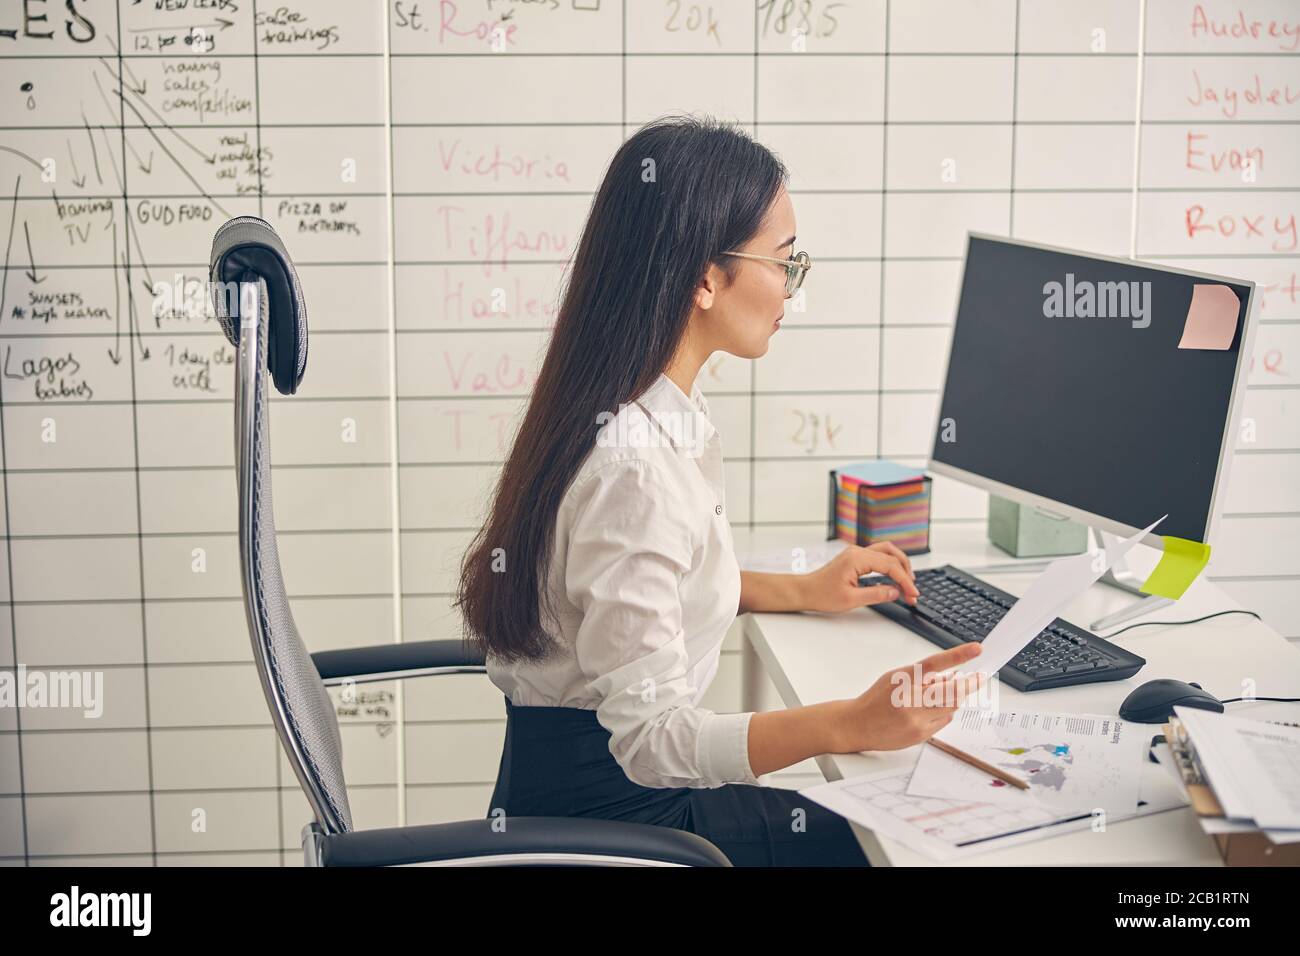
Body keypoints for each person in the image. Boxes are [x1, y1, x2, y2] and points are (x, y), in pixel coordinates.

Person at [456, 114, 983, 866]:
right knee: (897, 840)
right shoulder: (632, 470)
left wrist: (800, 590)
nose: (791, 290)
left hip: (578, 786)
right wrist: (849, 724)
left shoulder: (642, 407)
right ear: (707, 277)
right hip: (615, 822)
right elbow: (653, 743)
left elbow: (644, 591)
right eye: (784, 263)